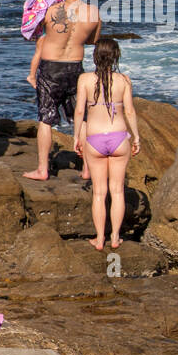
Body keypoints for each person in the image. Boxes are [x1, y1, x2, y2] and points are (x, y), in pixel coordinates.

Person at [26, 0, 101, 181]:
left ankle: (42, 170)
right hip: (75, 67)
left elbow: (33, 30)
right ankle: (87, 168)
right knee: (82, 119)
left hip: (50, 67)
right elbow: (93, 40)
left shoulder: (51, 10)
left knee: (46, 119)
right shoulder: (93, 12)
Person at [74, 38, 140, 249]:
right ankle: (115, 238)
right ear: (116, 56)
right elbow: (129, 111)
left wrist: (76, 137)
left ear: (95, 56)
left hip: (94, 140)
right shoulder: (124, 80)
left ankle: (100, 238)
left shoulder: (84, 79)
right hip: (119, 139)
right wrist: (136, 137)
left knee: (99, 193)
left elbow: (79, 111)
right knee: (118, 191)